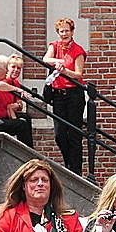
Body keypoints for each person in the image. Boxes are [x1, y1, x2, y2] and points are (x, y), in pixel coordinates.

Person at [43, 17, 87, 175]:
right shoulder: (54, 46)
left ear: (72, 31)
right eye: (61, 31)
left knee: (74, 134)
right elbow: (45, 59)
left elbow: (78, 74)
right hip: (58, 96)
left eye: (67, 30)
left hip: (74, 95)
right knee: (59, 134)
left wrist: (64, 71)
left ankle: (75, 171)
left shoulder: (78, 50)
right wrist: (58, 61)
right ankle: (69, 164)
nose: (64, 34)